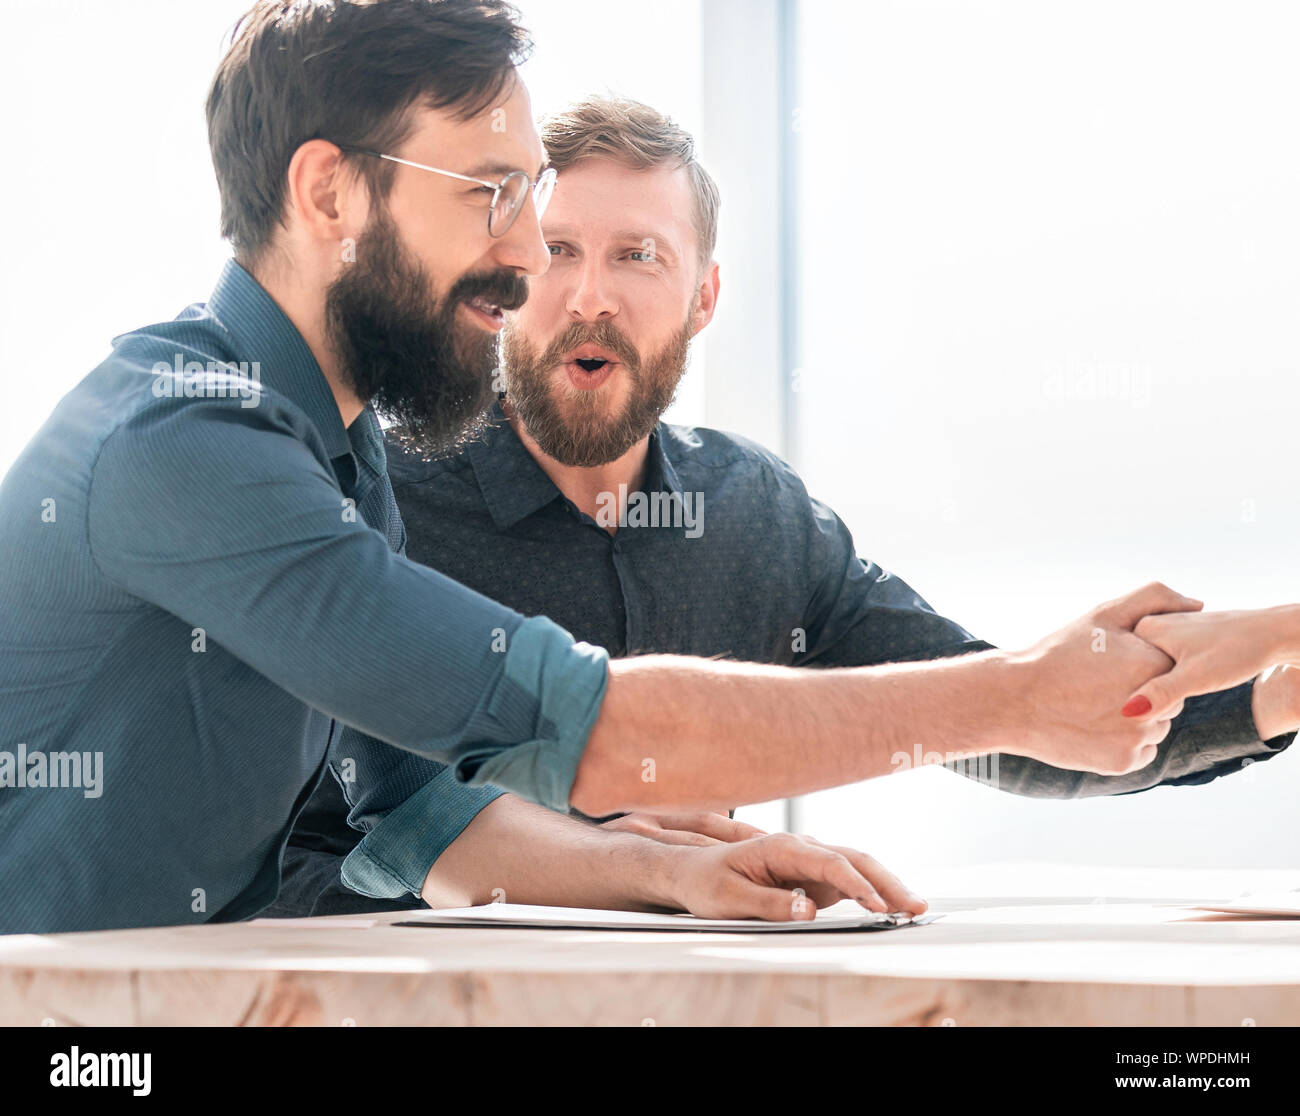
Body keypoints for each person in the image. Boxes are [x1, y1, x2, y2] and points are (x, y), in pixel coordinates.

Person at [0, 1, 1261, 935]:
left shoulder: (335, 448)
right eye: (493, 195)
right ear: (331, 192)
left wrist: (668, 871)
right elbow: (574, 718)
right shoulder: (185, 439)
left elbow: (407, 804)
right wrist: (1012, 694)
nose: (524, 259)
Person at [271, 96, 1300, 918]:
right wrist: (595, 863)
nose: (590, 297)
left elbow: (1005, 716)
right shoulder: (378, 499)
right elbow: (324, 837)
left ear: (703, 297)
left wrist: (1266, 696)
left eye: (639, 256)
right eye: (558, 253)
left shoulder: (757, 516)